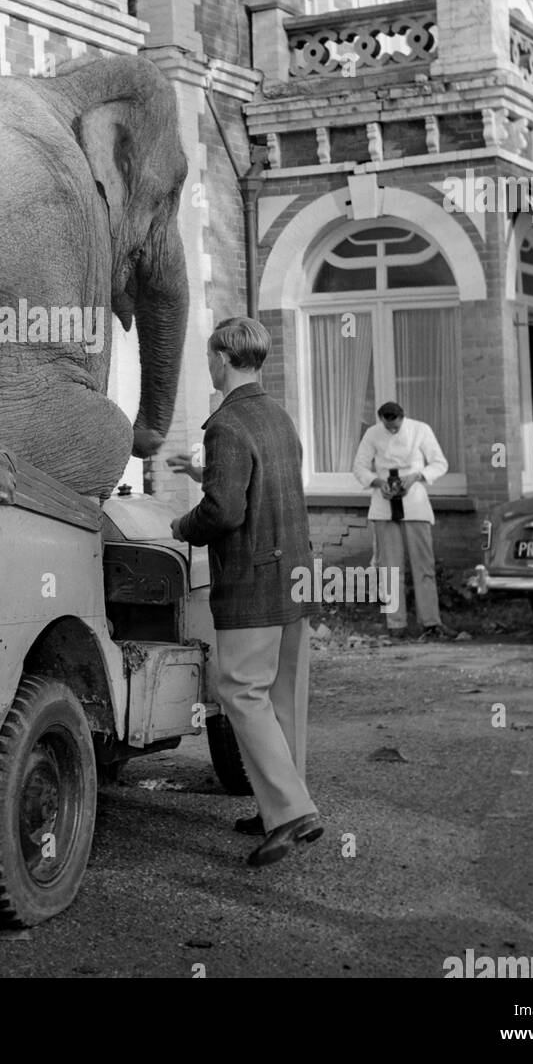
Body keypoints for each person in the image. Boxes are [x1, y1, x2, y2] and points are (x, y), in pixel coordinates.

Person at [168, 316, 323, 868]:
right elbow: (260, 492)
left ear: (222, 359)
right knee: (283, 698)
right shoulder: (277, 415)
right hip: (295, 576)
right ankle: (280, 804)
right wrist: (201, 474)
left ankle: (289, 812)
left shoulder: (227, 425)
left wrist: (181, 526)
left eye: (210, 357)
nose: (208, 365)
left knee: (240, 693)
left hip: (252, 585)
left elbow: (226, 512)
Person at [352, 401, 454, 641]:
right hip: (384, 505)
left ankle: (431, 622)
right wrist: (378, 483)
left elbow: (440, 463)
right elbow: (359, 467)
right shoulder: (372, 434)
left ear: (402, 418)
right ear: (381, 420)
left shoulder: (421, 430)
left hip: (414, 504)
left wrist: (417, 476)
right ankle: (395, 624)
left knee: (424, 567)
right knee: (390, 569)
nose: (392, 430)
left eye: (395, 425)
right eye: (388, 425)